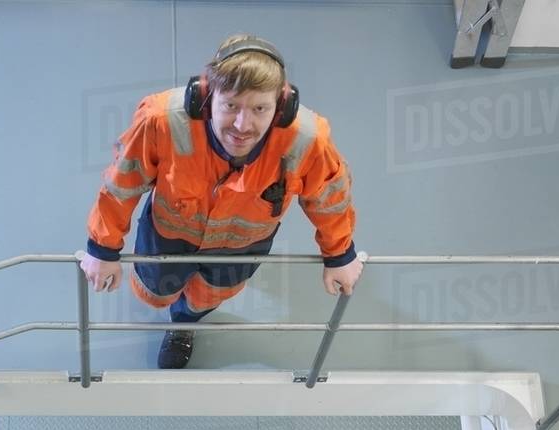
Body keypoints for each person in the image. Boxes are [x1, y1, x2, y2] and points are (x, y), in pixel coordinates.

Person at [79, 34, 364, 368]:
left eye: (260, 109)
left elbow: (329, 198)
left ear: (282, 107)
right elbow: (122, 183)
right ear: (205, 96)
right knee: (153, 292)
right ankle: (174, 309)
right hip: (167, 236)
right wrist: (103, 249)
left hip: (242, 247)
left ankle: (184, 325)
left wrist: (340, 254)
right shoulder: (161, 121)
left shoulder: (307, 140)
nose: (243, 126)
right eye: (231, 105)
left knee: (206, 297)